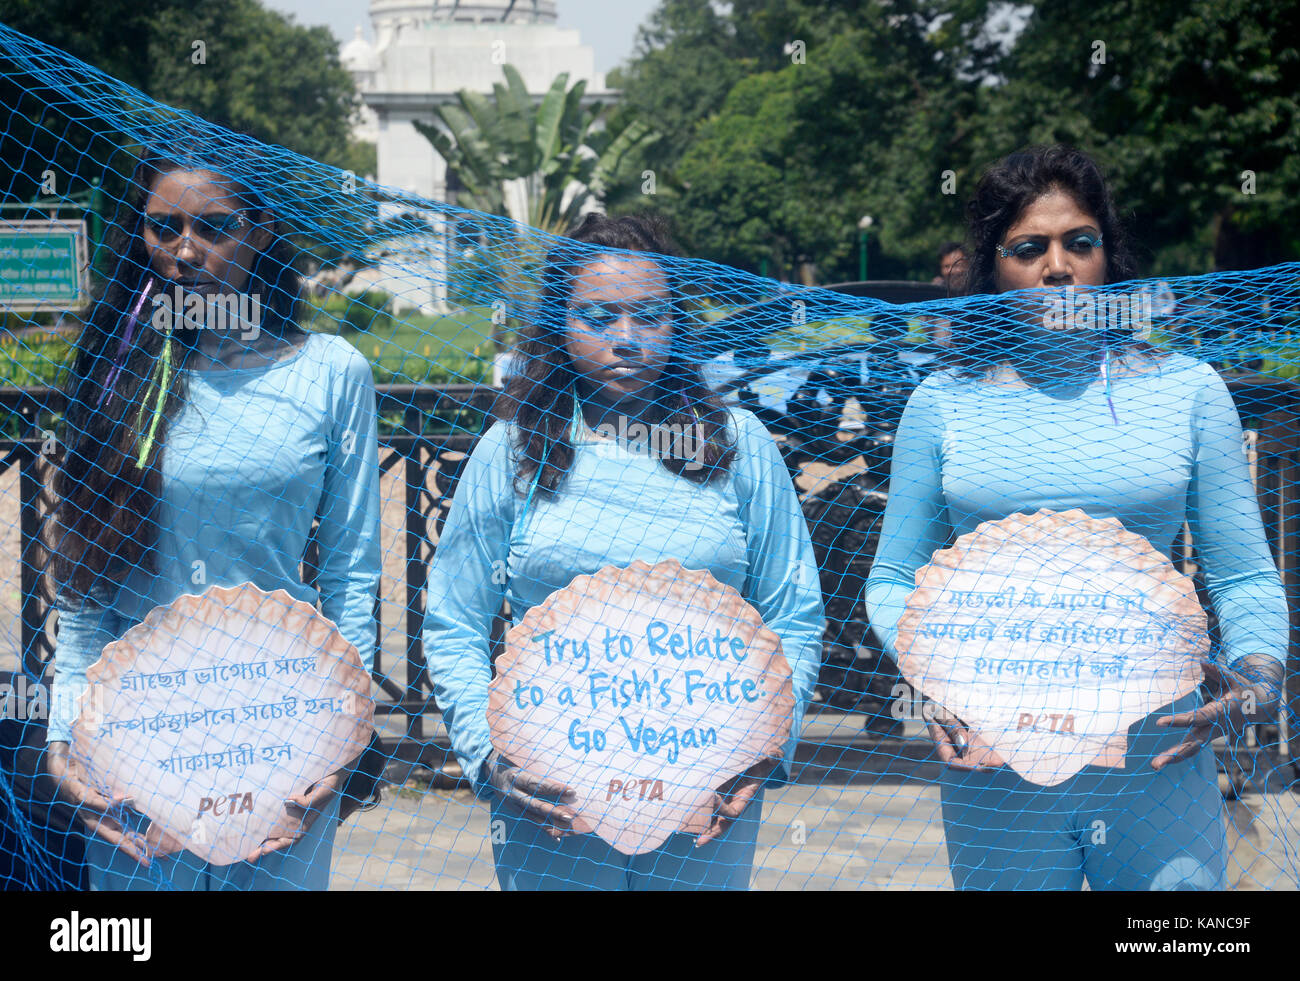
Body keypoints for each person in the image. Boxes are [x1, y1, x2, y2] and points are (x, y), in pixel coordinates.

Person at [864, 145, 1288, 890]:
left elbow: (1245, 572)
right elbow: (896, 576)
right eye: (1029, 249)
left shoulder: (1187, 391)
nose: (1058, 267)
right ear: (992, 267)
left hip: (1157, 753)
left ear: (1107, 256)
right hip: (1000, 757)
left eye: (1079, 243)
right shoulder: (942, 403)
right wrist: (932, 681)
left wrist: (1256, 673)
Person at [423, 213, 824, 890]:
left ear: (678, 323)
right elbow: (454, 618)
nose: (628, 339)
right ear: (557, 322)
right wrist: (488, 754)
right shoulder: (511, 449)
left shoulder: (739, 442)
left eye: (650, 316)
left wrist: (764, 747)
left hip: (707, 788)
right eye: (599, 316)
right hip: (553, 797)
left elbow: (794, 611)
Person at [44, 151, 382, 890]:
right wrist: (65, 735)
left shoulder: (331, 371)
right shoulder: (113, 371)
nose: (186, 249)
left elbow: (353, 571)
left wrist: (343, 731)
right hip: (136, 738)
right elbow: (83, 588)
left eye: (215, 227)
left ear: (260, 231)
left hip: (281, 728)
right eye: (163, 229)